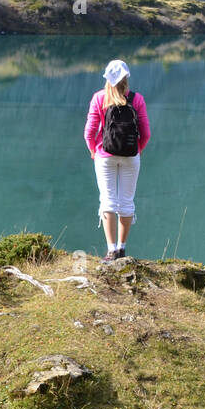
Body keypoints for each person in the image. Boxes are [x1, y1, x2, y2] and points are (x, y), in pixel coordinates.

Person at [84, 59, 150, 261]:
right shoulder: (137, 99)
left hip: (104, 155)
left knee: (108, 200)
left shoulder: (99, 98)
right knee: (126, 202)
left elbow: (89, 131)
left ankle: (111, 249)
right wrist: (136, 149)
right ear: (126, 77)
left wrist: (93, 150)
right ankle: (122, 248)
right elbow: (146, 133)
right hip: (131, 155)